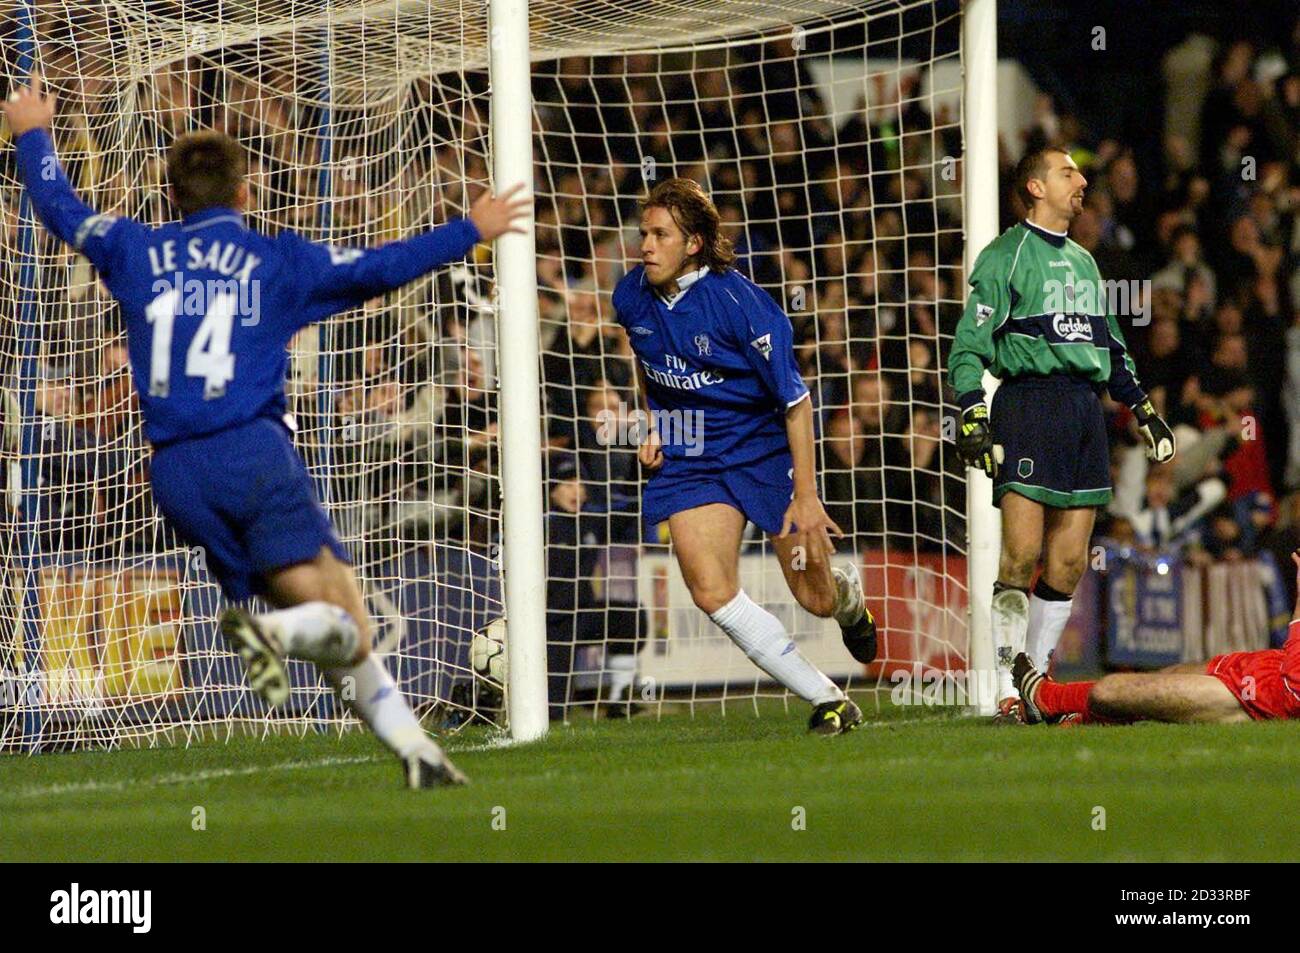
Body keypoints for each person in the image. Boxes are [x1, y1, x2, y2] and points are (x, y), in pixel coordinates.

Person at [4, 74, 530, 787]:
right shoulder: (277, 261)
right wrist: (471, 228)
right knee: (347, 621)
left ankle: (417, 754)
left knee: (330, 624)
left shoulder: (132, 249)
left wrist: (32, 133)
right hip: (252, 453)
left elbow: (62, 209)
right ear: (246, 195)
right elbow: (379, 268)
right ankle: (272, 637)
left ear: (169, 200)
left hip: (173, 476)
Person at [613, 177, 876, 735]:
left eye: (661, 235)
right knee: (708, 589)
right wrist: (656, 421)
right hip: (692, 457)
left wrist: (805, 497)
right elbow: (648, 359)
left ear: (694, 244)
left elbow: (798, 403)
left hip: (761, 453)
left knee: (815, 598)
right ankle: (828, 699)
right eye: (644, 234)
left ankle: (849, 598)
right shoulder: (629, 295)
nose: (646, 246)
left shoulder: (743, 305)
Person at [949, 145, 1176, 721]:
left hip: (1083, 412)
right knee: (1022, 554)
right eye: (1067, 172)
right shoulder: (1005, 256)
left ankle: (1038, 685)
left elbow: (1111, 346)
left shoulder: (1084, 261)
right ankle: (1005, 686)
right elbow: (969, 345)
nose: (1080, 181)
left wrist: (1142, 409)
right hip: (1028, 406)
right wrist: (972, 409)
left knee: (1070, 562)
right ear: (1034, 187)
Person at [1013, 549, 1300, 726]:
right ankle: (1071, 715)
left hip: (1268, 699)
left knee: (1111, 691)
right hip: (1270, 668)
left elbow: (1293, 690)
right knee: (1171, 674)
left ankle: (1047, 697)